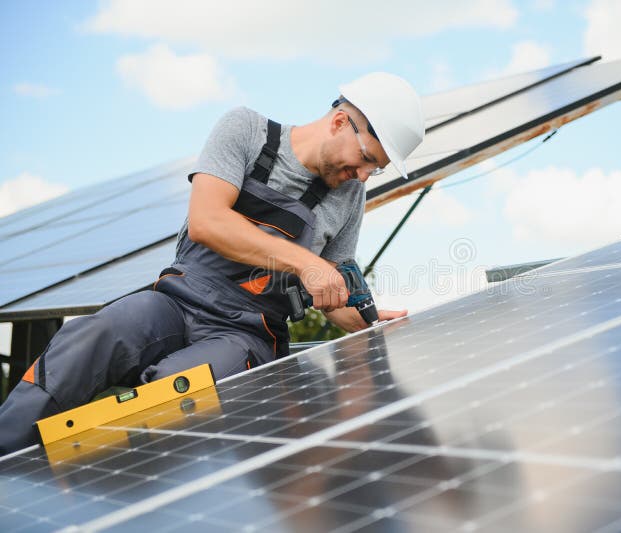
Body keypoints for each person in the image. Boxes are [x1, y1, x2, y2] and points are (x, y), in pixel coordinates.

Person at [0, 72, 425, 455]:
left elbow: (330, 291)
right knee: (91, 338)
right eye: (369, 158)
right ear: (339, 123)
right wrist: (304, 262)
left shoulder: (349, 197)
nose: (366, 176)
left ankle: (84, 492)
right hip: (175, 301)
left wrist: (367, 322)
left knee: (174, 393)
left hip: (247, 334)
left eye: (378, 170)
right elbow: (207, 221)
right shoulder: (246, 131)